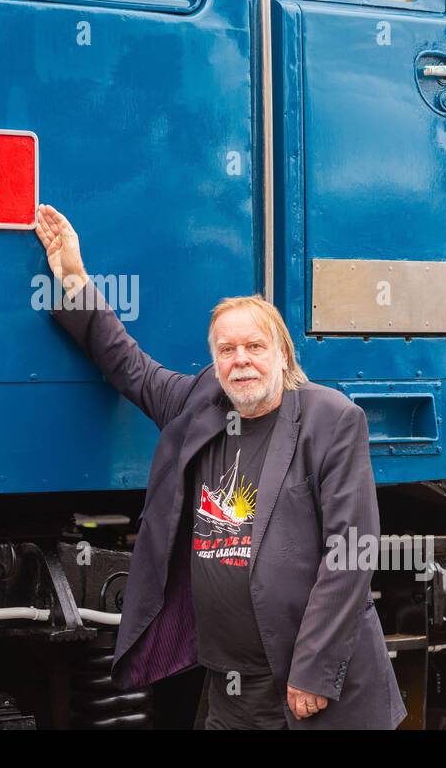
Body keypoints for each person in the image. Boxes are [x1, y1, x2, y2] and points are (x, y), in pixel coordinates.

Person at [34, 204, 406, 729]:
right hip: (232, 683)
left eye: (255, 346)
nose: (241, 359)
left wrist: (315, 671)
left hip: (312, 687)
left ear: (283, 355)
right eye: (226, 349)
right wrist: (73, 278)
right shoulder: (198, 406)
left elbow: (350, 555)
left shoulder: (332, 420)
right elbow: (129, 366)